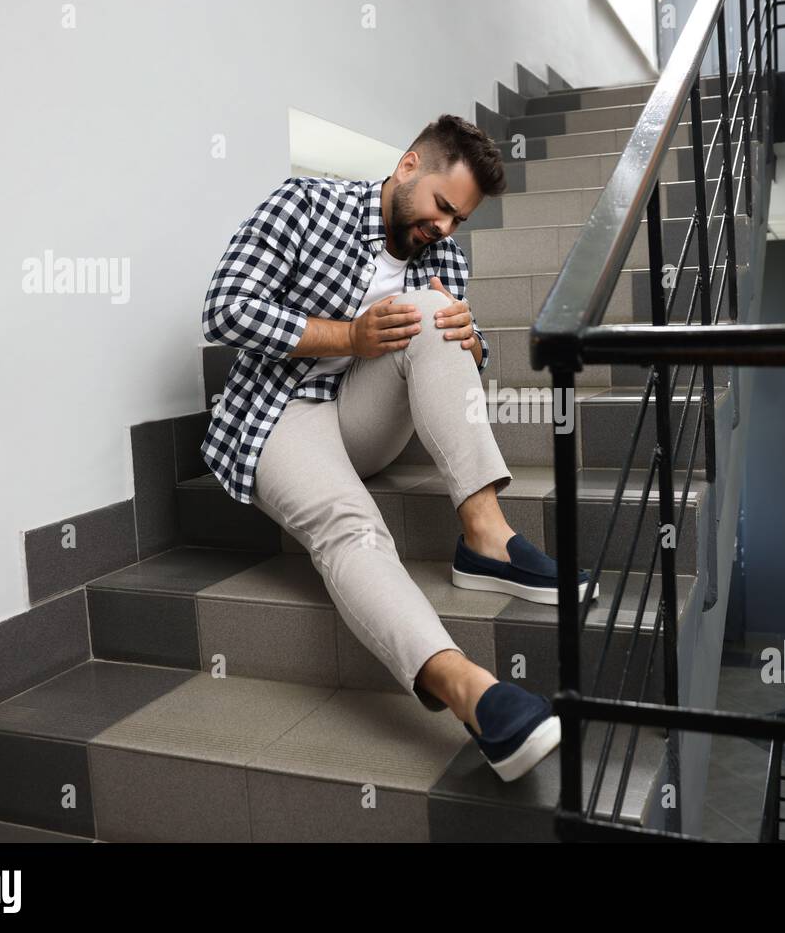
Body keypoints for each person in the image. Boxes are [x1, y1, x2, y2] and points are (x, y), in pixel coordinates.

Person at [199, 114, 596, 781]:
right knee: (350, 527)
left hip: (361, 422)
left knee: (440, 321)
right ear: (409, 166)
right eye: (442, 207)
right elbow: (224, 307)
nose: (443, 228)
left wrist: (472, 338)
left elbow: (457, 357)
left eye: (458, 220)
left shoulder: (441, 254)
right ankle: (470, 690)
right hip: (281, 415)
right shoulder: (307, 205)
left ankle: (486, 536)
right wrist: (348, 337)